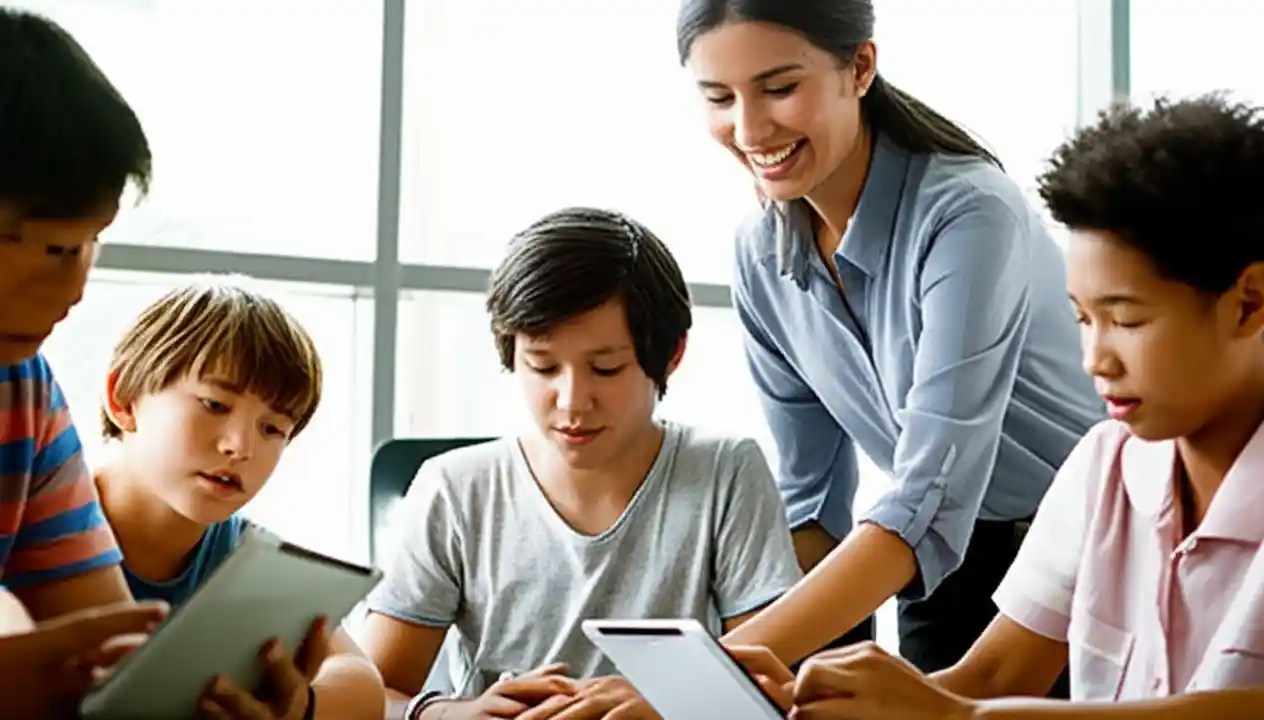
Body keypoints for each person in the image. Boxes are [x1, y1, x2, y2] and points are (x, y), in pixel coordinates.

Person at [733, 93, 1264, 718]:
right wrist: (838, 702)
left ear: (1249, 304)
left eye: (1126, 321)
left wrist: (960, 717)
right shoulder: (1100, 467)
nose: (1096, 360)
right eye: (1082, 319)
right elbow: (994, 672)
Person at [675, 0, 1104, 673]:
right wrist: (736, 666)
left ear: (861, 67)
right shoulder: (762, 256)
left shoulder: (968, 213)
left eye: (780, 88)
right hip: (931, 563)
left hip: (1086, 553)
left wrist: (709, 669)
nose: (749, 127)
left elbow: (928, 489)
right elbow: (812, 507)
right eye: (718, 97)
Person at [359, 207, 802, 719]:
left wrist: (673, 704)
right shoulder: (455, 488)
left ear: (671, 355)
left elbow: (771, 686)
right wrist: (453, 714)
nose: (572, 401)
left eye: (606, 369)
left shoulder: (725, 472)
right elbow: (370, 697)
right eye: (542, 366)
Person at [94, 277, 386, 719]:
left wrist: (300, 706)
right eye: (214, 405)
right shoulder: (44, 518)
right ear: (125, 400)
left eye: (273, 429)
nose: (240, 447)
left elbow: (362, 684)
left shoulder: (249, 559)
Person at [0, 9, 168, 718]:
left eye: (90, 245)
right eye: (53, 249)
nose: (74, 290)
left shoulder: (23, 389)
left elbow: (105, 644)